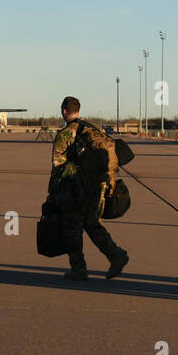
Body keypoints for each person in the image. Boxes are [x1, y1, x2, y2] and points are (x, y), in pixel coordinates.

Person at [50, 96, 128, 280]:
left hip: (77, 188)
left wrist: (54, 192)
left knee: (72, 227)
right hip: (100, 185)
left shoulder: (66, 133)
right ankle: (116, 255)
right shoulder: (95, 129)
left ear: (63, 111)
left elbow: (58, 166)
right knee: (92, 223)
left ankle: (78, 269)